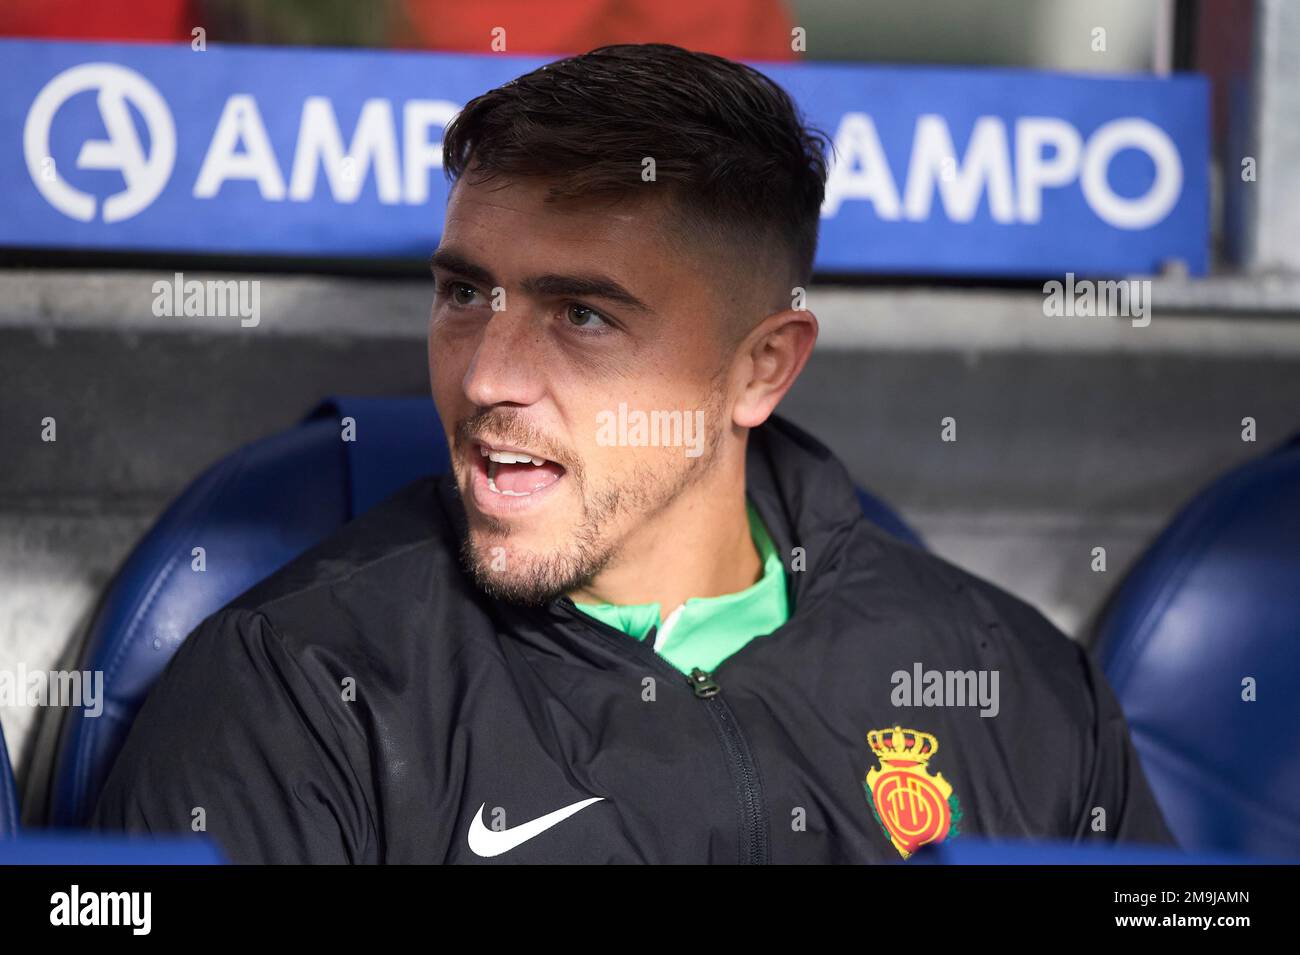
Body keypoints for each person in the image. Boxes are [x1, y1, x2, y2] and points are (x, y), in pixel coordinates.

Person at [92, 43, 1174, 863]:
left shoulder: (1015, 686)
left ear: (759, 371)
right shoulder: (297, 691)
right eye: (465, 293)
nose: (484, 378)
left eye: (583, 316)